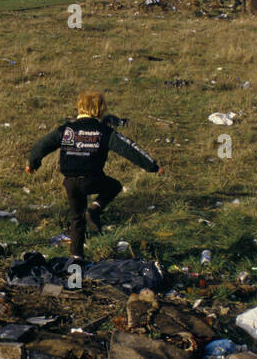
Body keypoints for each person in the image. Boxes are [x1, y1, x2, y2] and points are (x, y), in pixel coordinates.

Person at [26, 89, 160, 262]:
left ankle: (76, 258)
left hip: (71, 182)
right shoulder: (104, 131)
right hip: (93, 179)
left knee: (77, 218)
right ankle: (95, 208)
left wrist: (32, 163)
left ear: (80, 107)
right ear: (100, 109)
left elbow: (41, 145)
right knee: (114, 186)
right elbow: (129, 148)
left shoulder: (67, 130)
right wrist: (153, 166)